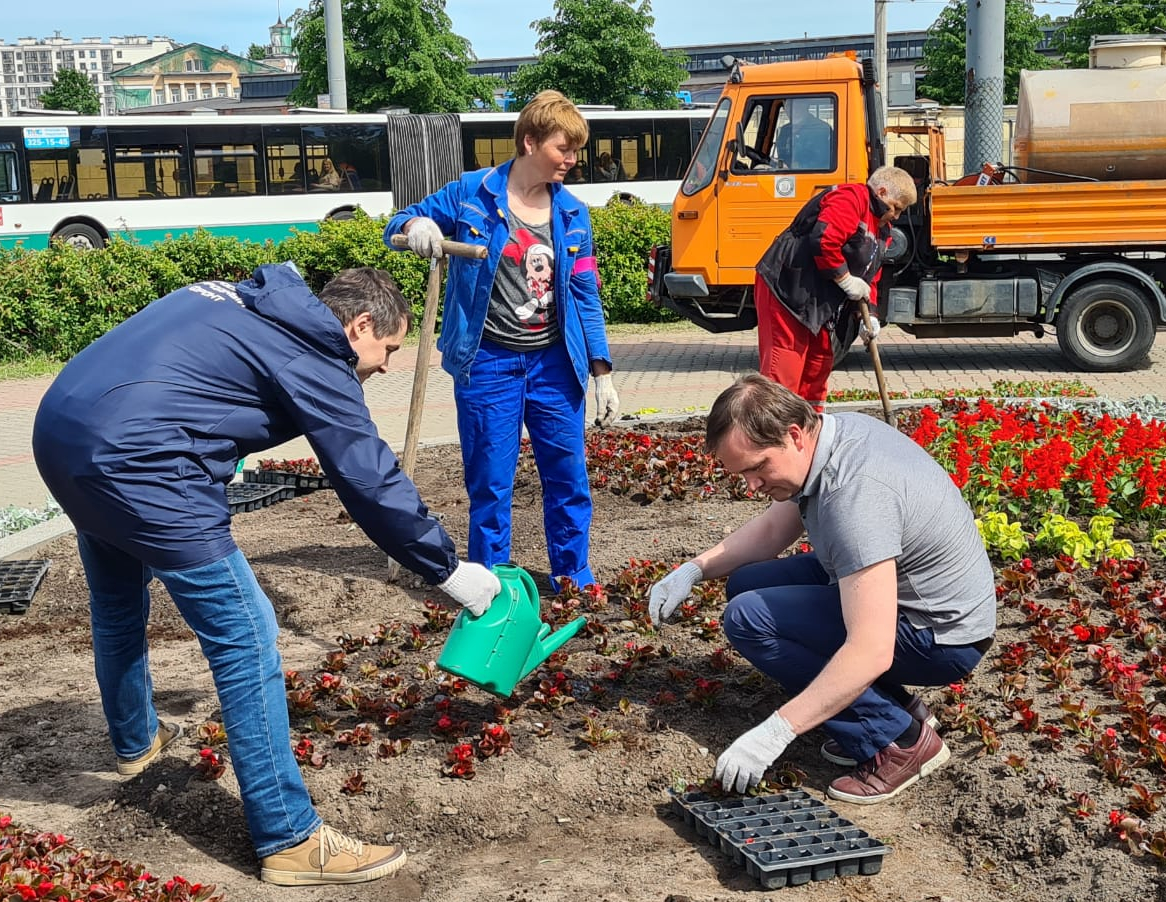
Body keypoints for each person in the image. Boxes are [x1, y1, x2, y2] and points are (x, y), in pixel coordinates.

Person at [32, 264, 502, 885]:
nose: (386, 366)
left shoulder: (250, 301)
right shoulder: (313, 349)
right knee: (248, 636)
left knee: (118, 599)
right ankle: (289, 839)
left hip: (64, 439)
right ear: (359, 326)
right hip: (141, 463)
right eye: (387, 349)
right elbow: (365, 475)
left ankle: (136, 743)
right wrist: (447, 568)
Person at [647, 374, 996, 804]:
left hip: (940, 636)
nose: (751, 486)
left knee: (749, 619)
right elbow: (774, 530)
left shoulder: (855, 496)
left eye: (757, 467)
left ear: (793, 434)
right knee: (746, 583)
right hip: (916, 601)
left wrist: (777, 730)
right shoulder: (828, 440)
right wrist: (694, 570)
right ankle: (896, 708)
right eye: (743, 474)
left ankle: (899, 742)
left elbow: (872, 649)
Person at [384, 90, 620, 591]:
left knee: (568, 477)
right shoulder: (473, 194)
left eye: (576, 149)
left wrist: (601, 372)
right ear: (530, 141)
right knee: (490, 483)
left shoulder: (573, 213)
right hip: (487, 362)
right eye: (564, 148)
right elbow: (397, 225)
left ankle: (572, 575)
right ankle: (491, 582)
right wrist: (418, 224)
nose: (572, 160)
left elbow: (584, 292)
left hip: (556, 365)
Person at [753, 165, 916, 411]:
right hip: (789, 289)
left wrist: (868, 316)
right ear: (881, 192)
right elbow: (824, 241)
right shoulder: (851, 198)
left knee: (818, 365)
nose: (896, 216)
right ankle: (774, 433)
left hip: (822, 300)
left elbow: (870, 276)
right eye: (897, 207)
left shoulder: (883, 230)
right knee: (785, 365)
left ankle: (810, 428)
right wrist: (846, 280)